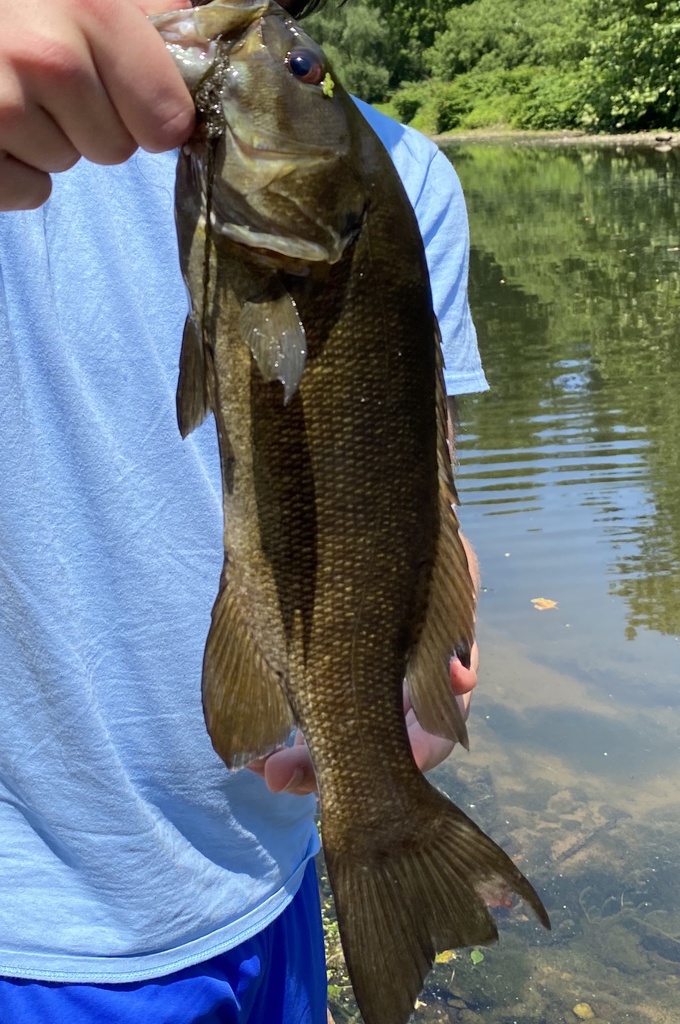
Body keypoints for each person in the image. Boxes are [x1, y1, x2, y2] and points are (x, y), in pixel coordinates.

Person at [0, 0, 488, 1021]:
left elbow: (420, 496)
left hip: (267, 873)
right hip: (38, 925)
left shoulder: (405, 178)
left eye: (305, 68)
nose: (278, 56)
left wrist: (415, 680)